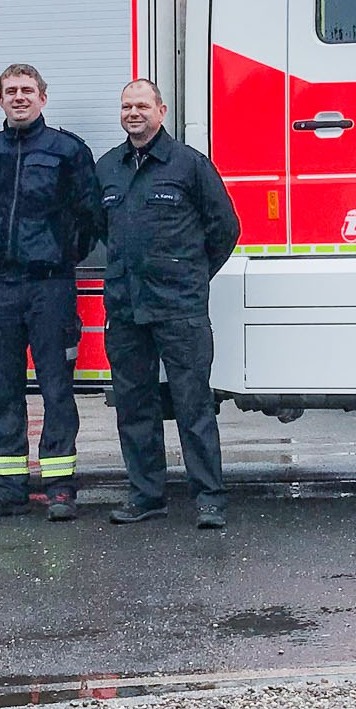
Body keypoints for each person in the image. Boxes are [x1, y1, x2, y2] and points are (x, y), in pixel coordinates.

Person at [0, 64, 102, 523]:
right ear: (0, 99)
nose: (18, 97)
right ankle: (9, 488)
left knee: (57, 388)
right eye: (10, 91)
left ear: (43, 97)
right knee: (3, 389)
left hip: (49, 285)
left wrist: (60, 253)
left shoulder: (67, 150)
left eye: (26, 90)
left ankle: (59, 488)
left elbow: (89, 215)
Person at [95, 78, 240, 529]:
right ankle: (146, 495)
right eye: (126, 106)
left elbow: (225, 228)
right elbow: (102, 228)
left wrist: (191, 274)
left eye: (142, 105)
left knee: (194, 406)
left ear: (161, 111)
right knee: (134, 407)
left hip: (180, 308)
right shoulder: (108, 167)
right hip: (126, 308)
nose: (133, 113)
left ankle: (209, 499)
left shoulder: (189, 165)